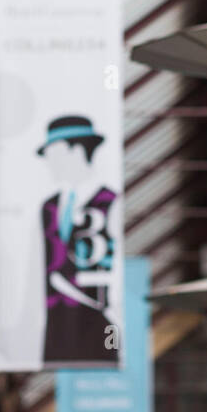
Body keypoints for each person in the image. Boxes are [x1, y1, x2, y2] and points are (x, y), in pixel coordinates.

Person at [36, 115, 120, 364]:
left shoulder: (110, 202)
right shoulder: (48, 207)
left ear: (76, 150)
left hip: (98, 326)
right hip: (56, 329)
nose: (49, 161)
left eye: (53, 152)